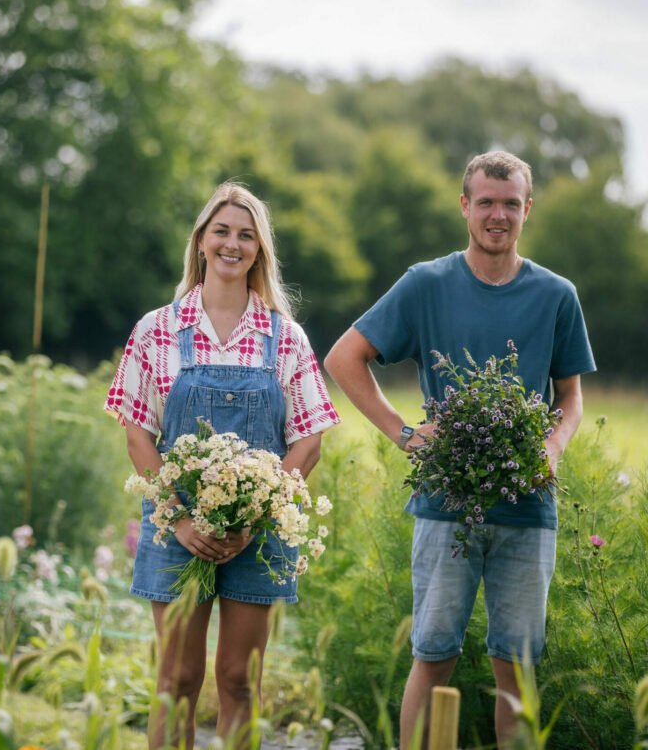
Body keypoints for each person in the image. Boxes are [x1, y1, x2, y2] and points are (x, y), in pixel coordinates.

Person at [323, 150, 595, 749]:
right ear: (464, 205)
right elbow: (344, 359)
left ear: (528, 209)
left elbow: (570, 398)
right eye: (487, 202)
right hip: (446, 505)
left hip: (528, 506)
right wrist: (405, 433)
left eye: (511, 203)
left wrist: (553, 446)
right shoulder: (427, 284)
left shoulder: (556, 295)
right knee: (434, 653)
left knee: (516, 667)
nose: (498, 215)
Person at [105, 182, 339, 748]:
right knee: (177, 679)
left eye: (246, 235)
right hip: (173, 527)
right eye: (222, 232)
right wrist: (182, 518)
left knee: (239, 680)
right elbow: (139, 433)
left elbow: (307, 441)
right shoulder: (158, 329)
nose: (233, 244)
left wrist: (253, 519)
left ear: (259, 250)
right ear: (201, 242)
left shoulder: (286, 338)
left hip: (256, 535)